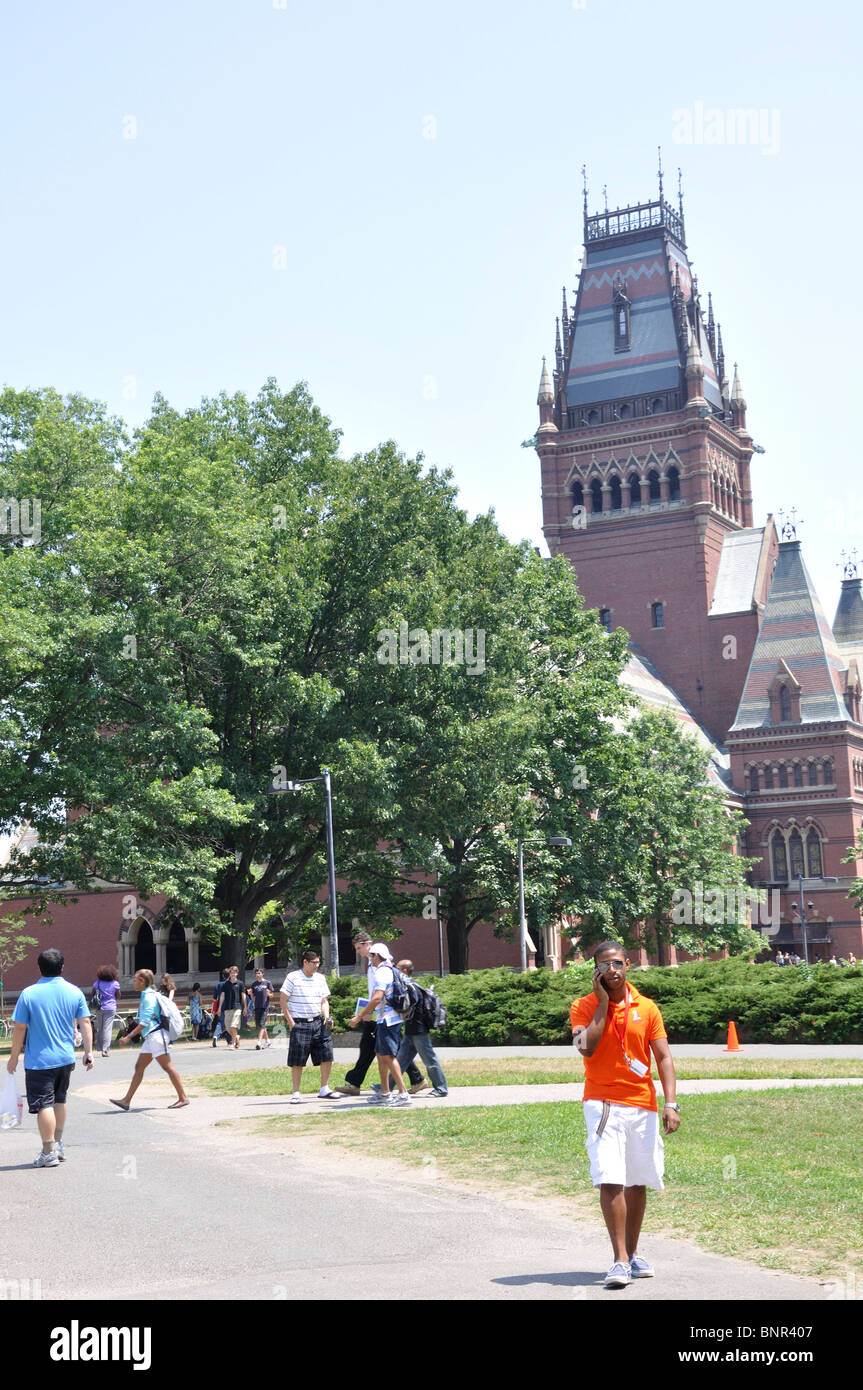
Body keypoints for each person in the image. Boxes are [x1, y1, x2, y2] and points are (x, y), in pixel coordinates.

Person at [570, 940, 680, 1289]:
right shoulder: (581, 1006)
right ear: (596, 970)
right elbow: (585, 1049)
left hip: (642, 1104)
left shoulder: (647, 1008)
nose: (612, 970)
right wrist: (602, 1005)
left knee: (637, 1180)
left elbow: (663, 1057)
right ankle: (618, 1260)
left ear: (628, 964)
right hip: (601, 1103)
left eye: (617, 963)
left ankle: (632, 1255)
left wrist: (671, 1102)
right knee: (610, 1178)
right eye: (604, 965)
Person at [7, 947, 95, 1167]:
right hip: (66, 1058)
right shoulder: (74, 992)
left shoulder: (28, 994)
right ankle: (58, 1143)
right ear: (62, 967)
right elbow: (85, 1022)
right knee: (60, 1100)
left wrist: (13, 1056)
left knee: (43, 1105)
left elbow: (19, 1028)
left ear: (39, 967)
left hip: (39, 1061)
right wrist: (89, 1052)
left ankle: (48, 1152)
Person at [109, 968, 189, 1110]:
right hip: (151, 1037)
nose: (133, 982)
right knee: (139, 1067)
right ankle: (126, 1100)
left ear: (142, 981)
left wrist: (127, 1037)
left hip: (156, 1036)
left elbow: (145, 1022)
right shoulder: (146, 994)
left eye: (135, 979)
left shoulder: (149, 996)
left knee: (168, 1067)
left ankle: (183, 1098)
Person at [348, 942, 410, 1107]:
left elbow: (376, 998)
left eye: (371, 957)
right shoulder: (389, 969)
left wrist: (359, 1016)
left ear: (376, 956)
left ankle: (403, 1094)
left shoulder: (382, 972)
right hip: (386, 1019)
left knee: (388, 1056)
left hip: (389, 1020)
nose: (370, 960)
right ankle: (385, 1093)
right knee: (381, 1054)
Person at [279, 951, 340, 1103]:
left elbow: (324, 1001)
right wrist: (291, 1022)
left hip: (319, 1023)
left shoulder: (320, 978)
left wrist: (327, 1017)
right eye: (314, 963)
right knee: (297, 1059)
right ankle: (296, 1092)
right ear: (305, 962)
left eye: (318, 963)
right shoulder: (293, 977)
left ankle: (324, 1088)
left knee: (327, 1055)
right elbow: (283, 1001)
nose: (317, 966)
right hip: (300, 1023)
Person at [393, 959, 448, 1097]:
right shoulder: (409, 985)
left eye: (397, 968)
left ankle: (441, 1088)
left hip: (419, 1030)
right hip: (412, 1030)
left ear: (404, 971)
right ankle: (385, 1087)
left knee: (429, 1059)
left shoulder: (410, 986)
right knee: (400, 1060)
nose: (395, 971)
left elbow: (406, 1009)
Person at [333, 929, 377, 1096]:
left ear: (367, 944)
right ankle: (354, 1083)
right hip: (374, 1013)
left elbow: (379, 994)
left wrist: (363, 1014)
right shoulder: (371, 963)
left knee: (392, 1050)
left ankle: (415, 1079)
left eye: (359, 948)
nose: (358, 952)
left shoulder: (378, 962)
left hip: (379, 1014)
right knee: (367, 1047)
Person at [91, 964, 121, 1057]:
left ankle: (100, 1047)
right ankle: (105, 1049)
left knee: (100, 1028)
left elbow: (92, 994)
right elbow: (118, 996)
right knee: (107, 1029)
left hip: (99, 1007)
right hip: (111, 1007)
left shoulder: (97, 983)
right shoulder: (115, 983)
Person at [247, 967, 275, 1049]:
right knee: (260, 1025)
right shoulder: (254, 984)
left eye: (259, 973)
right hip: (257, 1006)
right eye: (256, 973)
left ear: (262, 974)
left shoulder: (267, 983)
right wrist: (250, 993)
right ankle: (268, 1041)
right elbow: (252, 997)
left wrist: (269, 994)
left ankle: (259, 1042)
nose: (258, 975)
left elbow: (272, 995)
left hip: (265, 1006)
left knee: (262, 1023)